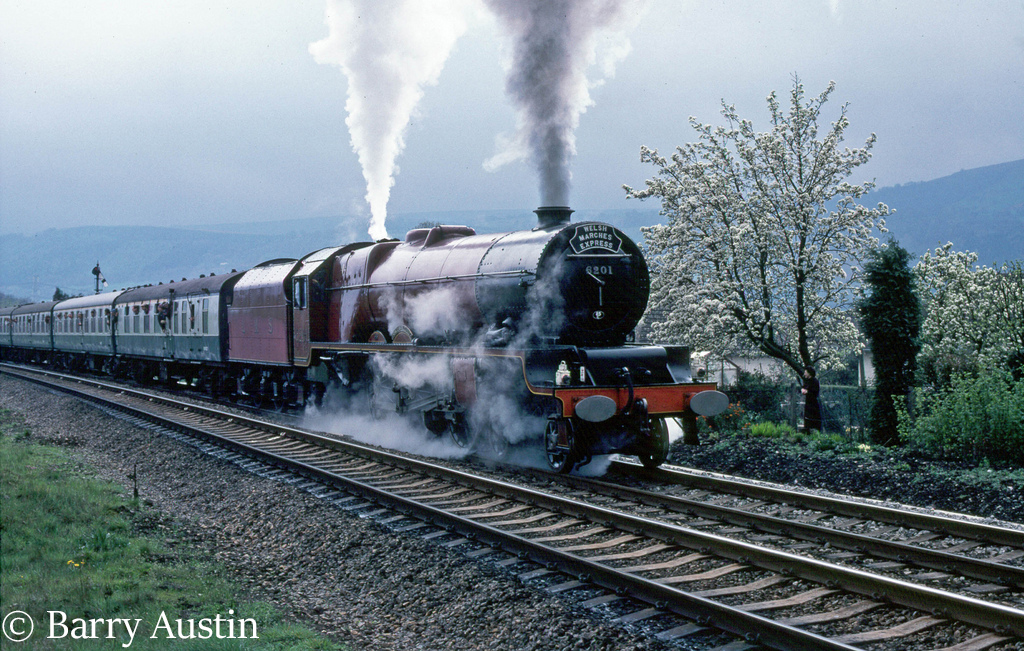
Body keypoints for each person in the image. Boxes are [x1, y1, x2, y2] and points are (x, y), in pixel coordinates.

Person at [801, 366, 822, 433]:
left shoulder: (815, 381)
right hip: (808, 403)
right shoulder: (807, 381)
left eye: (806, 372)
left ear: (809, 373)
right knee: (807, 419)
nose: (804, 374)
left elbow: (814, 392)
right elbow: (804, 387)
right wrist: (803, 390)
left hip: (814, 404)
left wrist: (807, 392)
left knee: (813, 420)